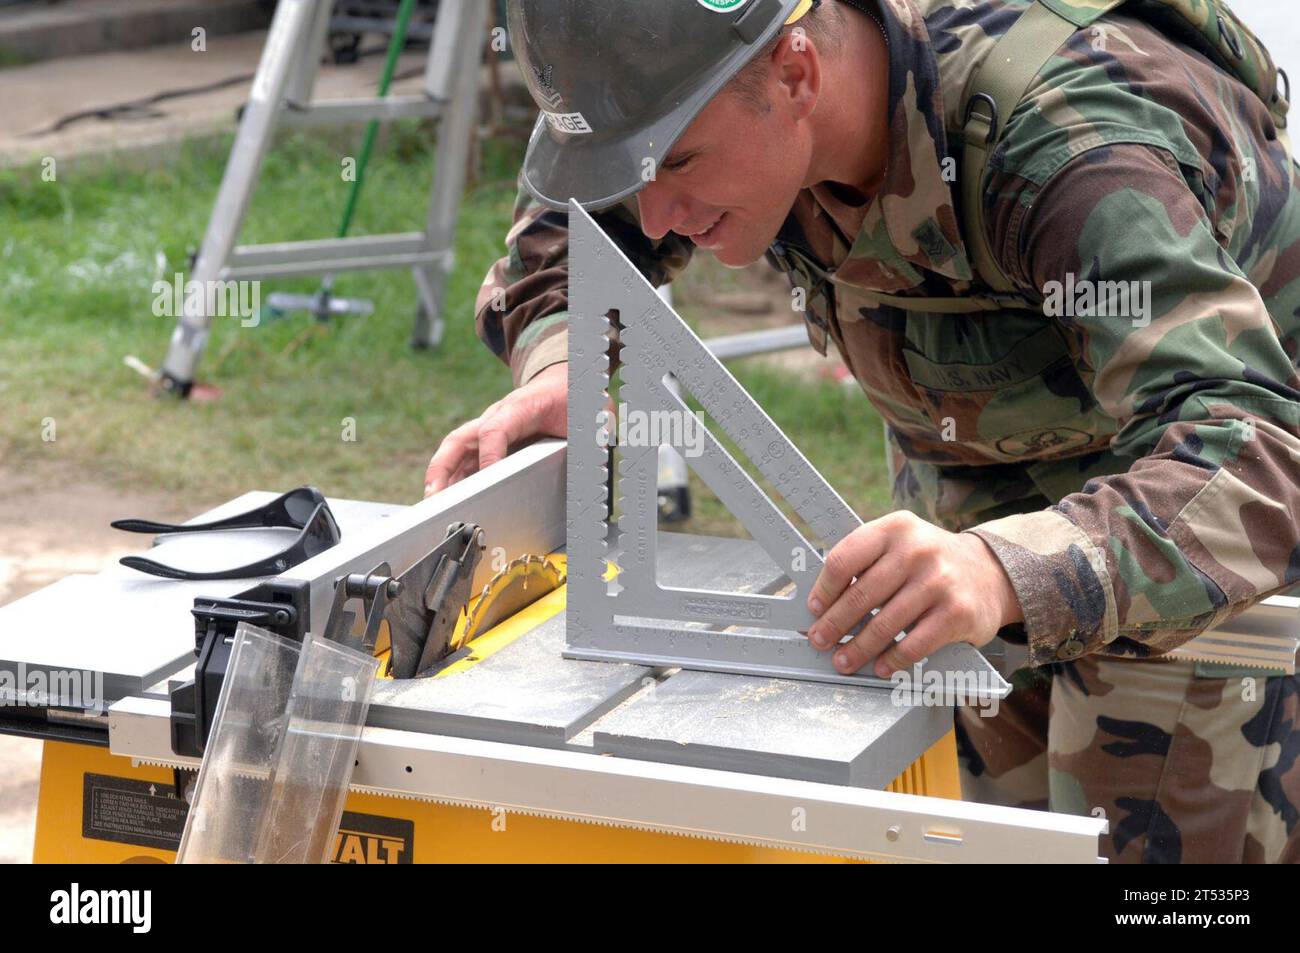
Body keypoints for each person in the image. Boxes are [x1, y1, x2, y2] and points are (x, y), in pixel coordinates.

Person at [426, 0, 1300, 862]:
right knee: (990, 840)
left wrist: (1005, 569)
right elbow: (573, 230)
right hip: (970, 510)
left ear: (798, 73)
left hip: (1199, 535)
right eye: (635, 170)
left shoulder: (1073, 142)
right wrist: (564, 362)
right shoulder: (693, 94)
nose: (653, 216)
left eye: (678, 161)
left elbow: (1254, 452)